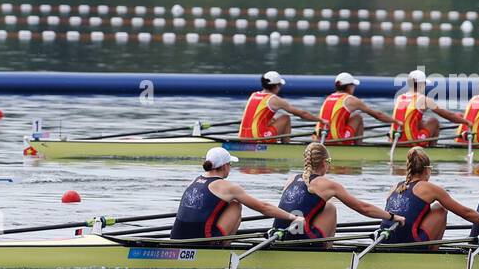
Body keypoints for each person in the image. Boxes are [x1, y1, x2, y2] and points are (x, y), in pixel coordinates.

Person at [272, 142, 403, 242]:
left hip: (278, 236)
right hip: (301, 238)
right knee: (330, 208)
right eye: (329, 161)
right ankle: (327, 250)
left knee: (323, 206)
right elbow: (363, 208)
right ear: (324, 162)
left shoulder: (290, 180)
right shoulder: (328, 185)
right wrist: (391, 216)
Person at [170, 148, 301, 242]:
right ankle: (224, 248)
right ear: (225, 166)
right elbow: (263, 207)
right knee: (236, 205)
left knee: (223, 205)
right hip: (202, 240)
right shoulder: (228, 187)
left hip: (176, 236)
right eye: (230, 164)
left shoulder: (194, 180)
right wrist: (292, 217)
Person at [382, 147, 479, 247]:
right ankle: (433, 254)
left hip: (384, 240)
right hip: (409, 242)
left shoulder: (395, 187)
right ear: (427, 170)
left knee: (427, 209)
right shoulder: (429, 188)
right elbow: (465, 213)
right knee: (440, 209)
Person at [314, 72, 396, 143]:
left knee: (347, 117)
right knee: (357, 117)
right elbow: (378, 115)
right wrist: (396, 122)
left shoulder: (328, 98)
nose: (354, 88)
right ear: (349, 86)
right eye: (353, 86)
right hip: (337, 140)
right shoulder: (351, 100)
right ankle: (358, 147)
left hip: (318, 138)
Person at [239, 70, 320, 141]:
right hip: (259, 138)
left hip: (242, 137)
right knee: (286, 118)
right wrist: (320, 120)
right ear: (276, 86)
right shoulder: (274, 99)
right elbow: (302, 114)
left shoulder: (253, 95)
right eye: (280, 85)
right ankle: (286, 148)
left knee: (272, 119)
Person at [390, 69, 467, 142]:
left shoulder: (399, 98)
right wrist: (467, 122)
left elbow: (410, 120)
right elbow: (449, 116)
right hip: (411, 141)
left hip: (395, 139)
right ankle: (431, 148)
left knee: (423, 122)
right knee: (434, 122)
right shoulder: (424, 100)